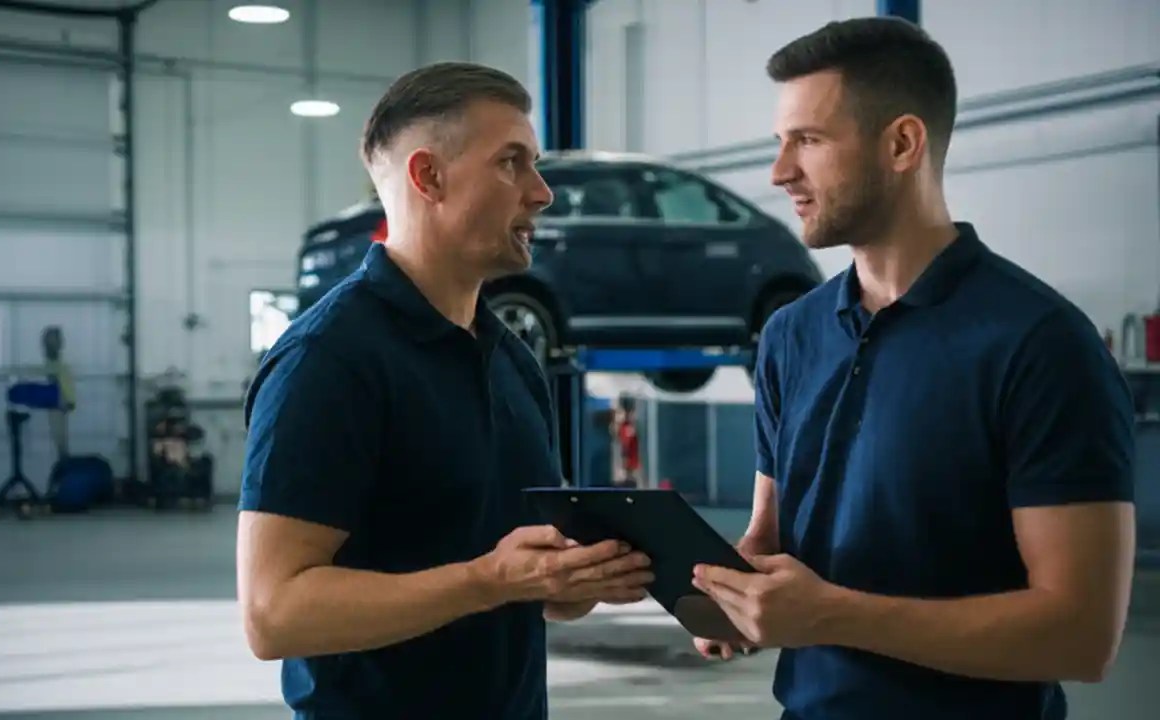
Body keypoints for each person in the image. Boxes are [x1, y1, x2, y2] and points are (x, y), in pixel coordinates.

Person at [689, 17, 1136, 719]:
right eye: (781, 143)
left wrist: (828, 615)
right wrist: (731, 590)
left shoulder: (1041, 345)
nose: (779, 174)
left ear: (902, 144)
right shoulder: (789, 336)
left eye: (808, 141)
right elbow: (769, 533)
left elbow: (1081, 634)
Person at [235, 62, 654, 720]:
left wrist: (577, 578)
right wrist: (487, 581)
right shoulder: (328, 360)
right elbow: (274, 614)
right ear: (428, 176)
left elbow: (527, 574)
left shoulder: (513, 360)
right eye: (512, 163)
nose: (541, 192)